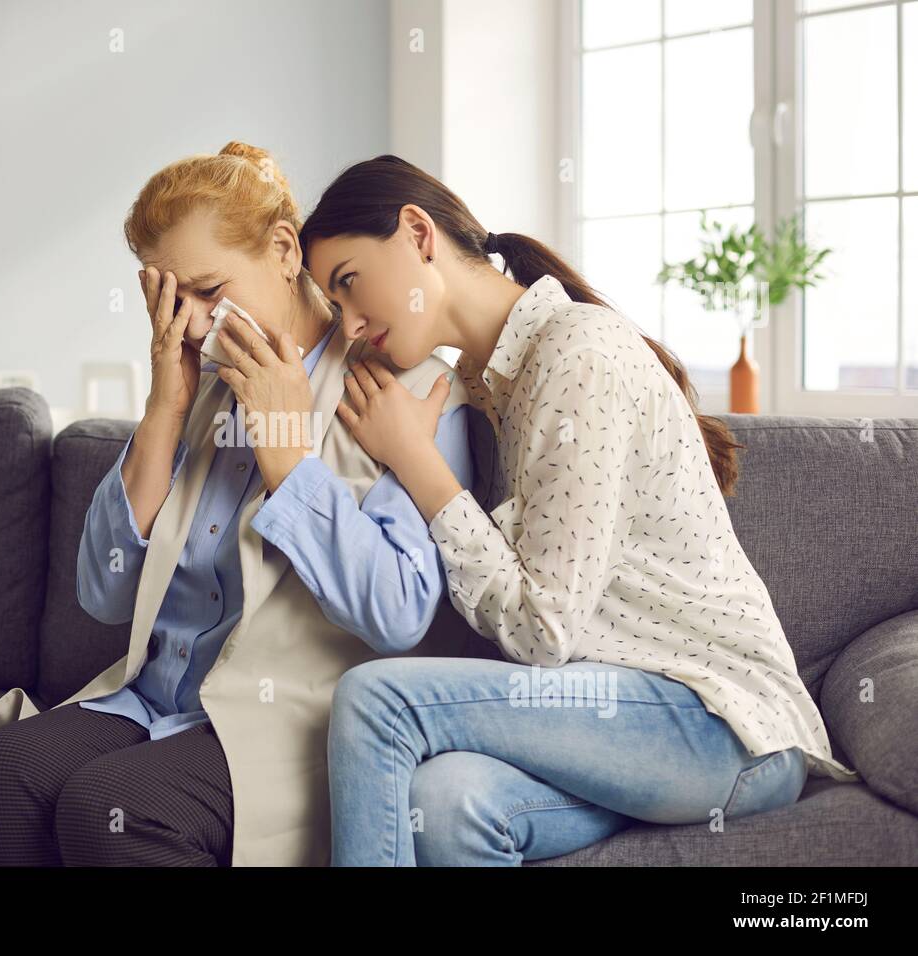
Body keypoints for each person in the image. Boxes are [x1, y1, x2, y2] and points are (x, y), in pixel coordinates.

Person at [296, 154, 860, 867]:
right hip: (620, 720)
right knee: (444, 803)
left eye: (348, 282)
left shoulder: (576, 354)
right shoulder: (491, 378)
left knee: (376, 701)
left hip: (721, 724)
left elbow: (544, 630)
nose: (346, 323)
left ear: (417, 233)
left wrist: (417, 462)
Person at [0, 143, 473, 866]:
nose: (189, 323)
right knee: (3, 775)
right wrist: (165, 407)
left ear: (285, 249)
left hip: (286, 722)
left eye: (208, 290)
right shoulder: (201, 387)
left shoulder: (407, 392)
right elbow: (103, 593)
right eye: (168, 299)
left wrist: (288, 452)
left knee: (114, 810)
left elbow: (399, 615)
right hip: (155, 700)